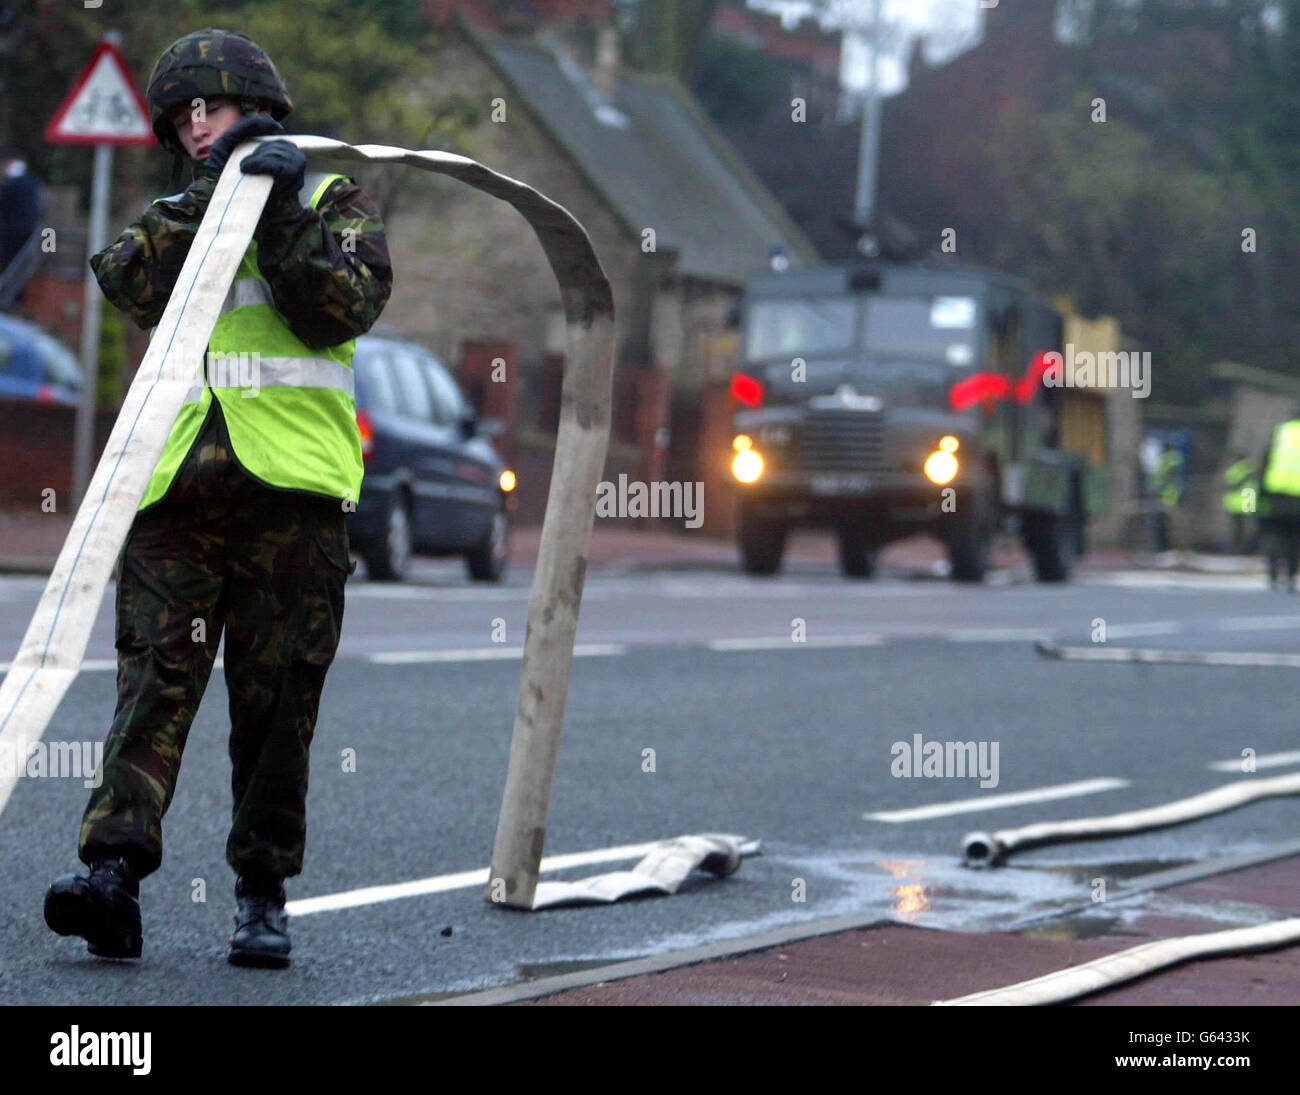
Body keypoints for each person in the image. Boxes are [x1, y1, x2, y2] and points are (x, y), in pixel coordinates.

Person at [42, 28, 392, 967]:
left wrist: (275, 207)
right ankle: (111, 876)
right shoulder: (174, 208)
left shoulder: (332, 198)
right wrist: (214, 197)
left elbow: (341, 307)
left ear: (264, 112)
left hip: (293, 500)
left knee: (276, 706)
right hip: (174, 497)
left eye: (217, 109)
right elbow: (126, 277)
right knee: (150, 687)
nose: (202, 128)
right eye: (186, 117)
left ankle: (261, 894)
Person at [1259, 419, 1300, 592]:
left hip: (1275, 495)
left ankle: (1272, 571)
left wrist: (1255, 502)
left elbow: (1263, 463)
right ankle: (1290, 576)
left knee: (1273, 535)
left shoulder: (1281, 431)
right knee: (1295, 539)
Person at [1221, 451, 1258, 554]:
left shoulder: (1236, 469)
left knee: (1237, 529)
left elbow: (1230, 483)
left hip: (1237, 503)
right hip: (1249, 500)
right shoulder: (1252, 468)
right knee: (1250, 527)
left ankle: (1239, 549)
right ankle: (1250, 548)